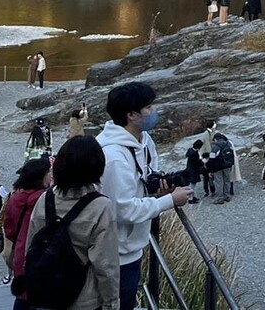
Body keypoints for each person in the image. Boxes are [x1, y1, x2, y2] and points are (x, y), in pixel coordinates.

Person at [97, 81, 195, 309]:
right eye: (148, 107)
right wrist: (169, 201)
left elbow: (144, 177)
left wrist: (158, 189)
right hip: (114, 255)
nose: (154, 112)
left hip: (133, 248)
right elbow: (121, 210)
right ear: (131, 115)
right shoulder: (112, 157)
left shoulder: (143, 140)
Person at [22, 135, 118, 310]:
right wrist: (111, 304)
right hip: (84, 300)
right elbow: (106, 266)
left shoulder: (45, 199)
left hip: (46, 297)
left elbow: (31, 247)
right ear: (97, 167)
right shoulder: (101, 207)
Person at [0, 157, 51, 299]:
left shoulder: (14, 197)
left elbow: (8, 227)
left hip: (19, 251)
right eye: (48, 172)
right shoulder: (44, 198)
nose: (51, 175)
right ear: (41, 176)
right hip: (40, 253)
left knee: (23, 296)